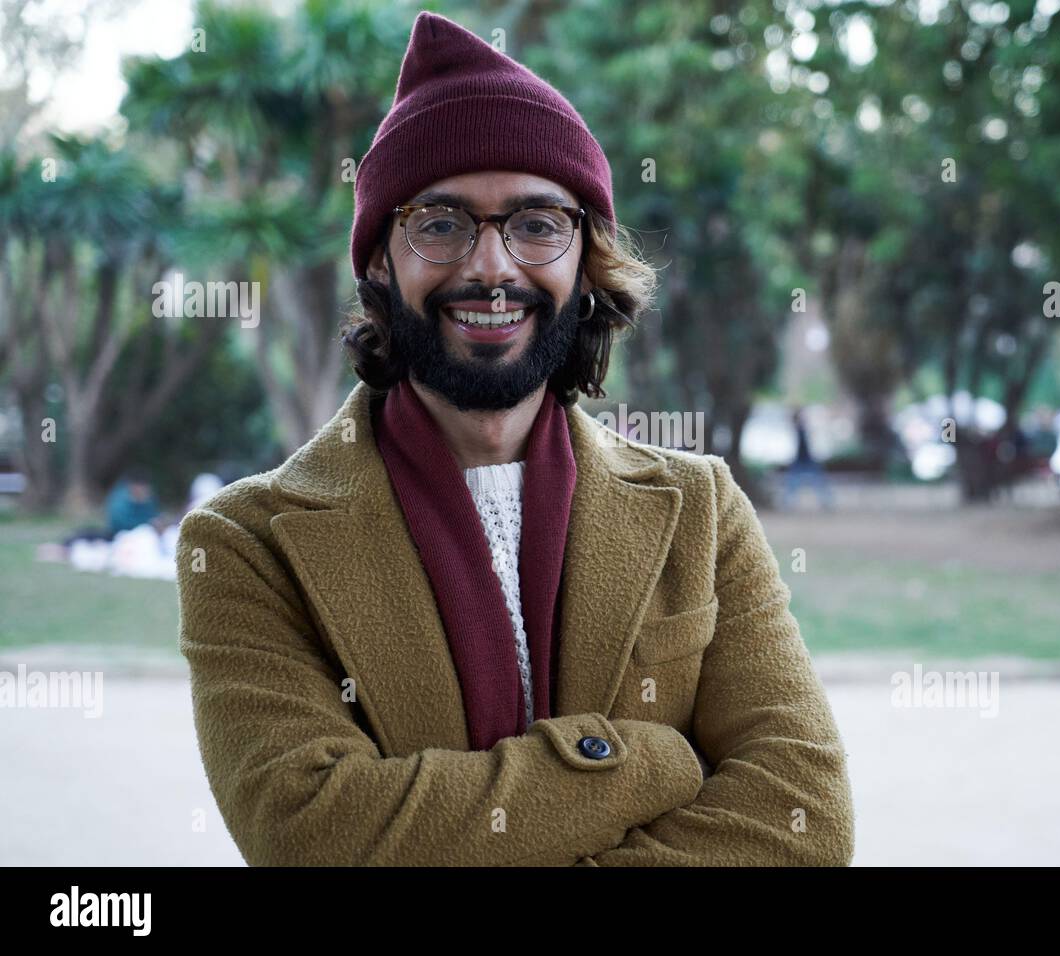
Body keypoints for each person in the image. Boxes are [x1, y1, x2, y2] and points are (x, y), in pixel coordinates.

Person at [174, 12, 853, 868]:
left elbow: (804, 821)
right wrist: (644, 763)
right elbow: (316, 836)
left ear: (585, 258)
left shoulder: (700, 509)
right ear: (381, 258)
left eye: (536, 224)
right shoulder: (244, 544)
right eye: (442, 223)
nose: (491, 267)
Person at [780, 405, 834, 511]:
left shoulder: (800, 430)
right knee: (815, 482)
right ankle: (826, 501)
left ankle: (826, 501)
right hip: (803, 461)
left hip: (804, 460)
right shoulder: (799, 430)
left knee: (796, 484)